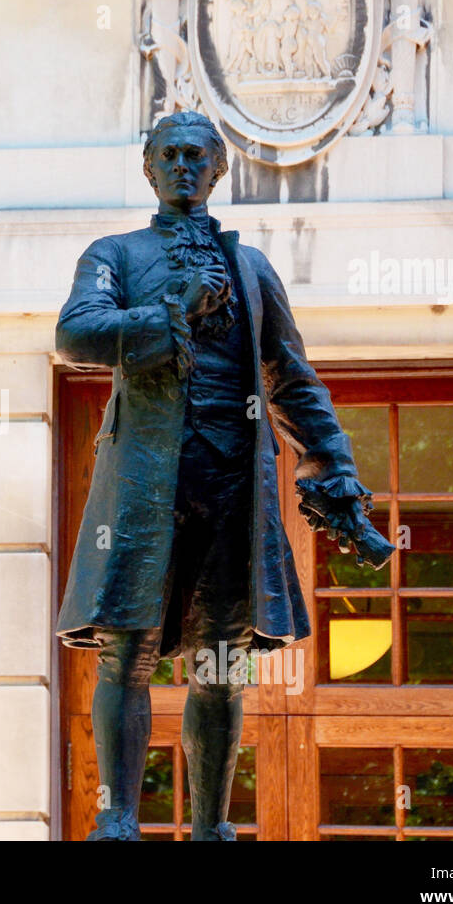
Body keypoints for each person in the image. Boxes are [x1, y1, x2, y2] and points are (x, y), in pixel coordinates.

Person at [55, 111, 392, 841]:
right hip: (146, 478)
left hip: (233, 479)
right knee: (127, 646)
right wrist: (169, 308)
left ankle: (211, 824)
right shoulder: (114, 253)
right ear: (149, 168)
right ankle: (118, 813)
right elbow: (75, 332)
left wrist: (336, 479)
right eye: (168, 153)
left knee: (221, 657)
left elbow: (292, 380)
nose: (182, 165)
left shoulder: (253, 269)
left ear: (217, 171)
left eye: (196, 155)